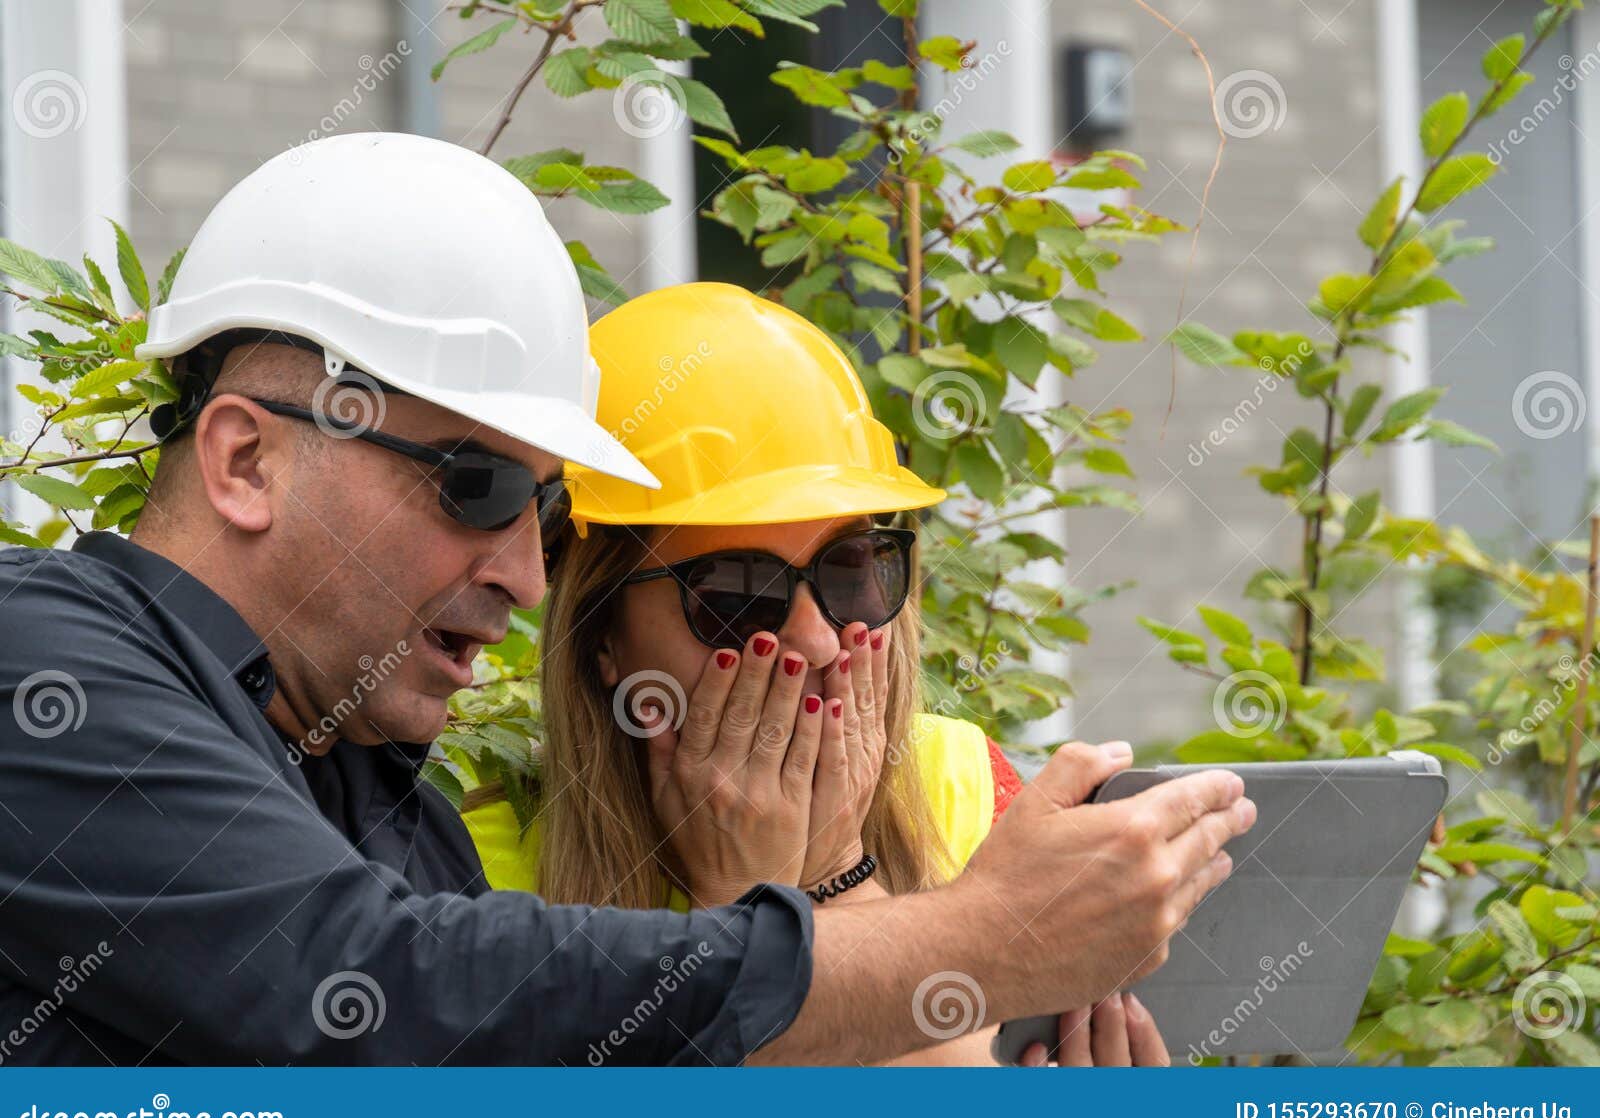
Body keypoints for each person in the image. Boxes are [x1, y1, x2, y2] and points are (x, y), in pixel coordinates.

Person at [0, 133, 1255, 1066]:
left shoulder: (387, 809)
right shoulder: (36, 659)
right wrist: (980, 938)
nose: (526, 573)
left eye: (546, 513)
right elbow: (376, 982)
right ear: (245, 457)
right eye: (477, 486)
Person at [463, 283, 1170, 1065]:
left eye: (850, 571)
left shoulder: (959, 781)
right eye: (737, 595)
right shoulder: (477, 873)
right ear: (604, 640)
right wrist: (763, 911)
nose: (818, 639)